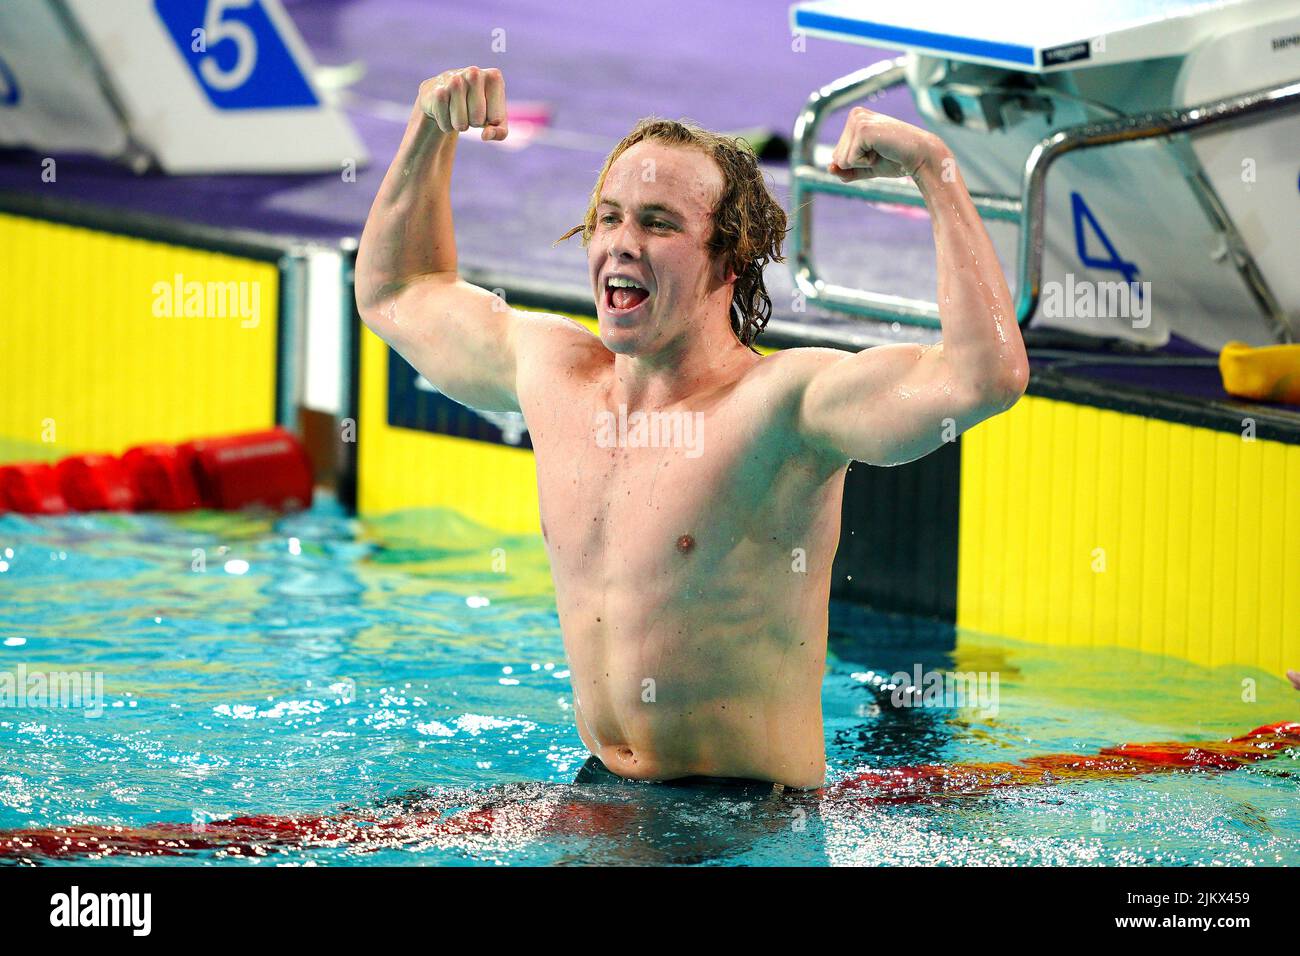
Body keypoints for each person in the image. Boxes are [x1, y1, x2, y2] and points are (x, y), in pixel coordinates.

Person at [355, 66, 1028, 789]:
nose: (621, 242)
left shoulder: (784, 406)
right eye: (608, 217)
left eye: (658, 223)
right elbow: (398, 290)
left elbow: (982, 377)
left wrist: (935, 170)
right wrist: (430, 128)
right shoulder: (552, 374)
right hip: (604, 792)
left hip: (748, 826)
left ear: (728, 262)